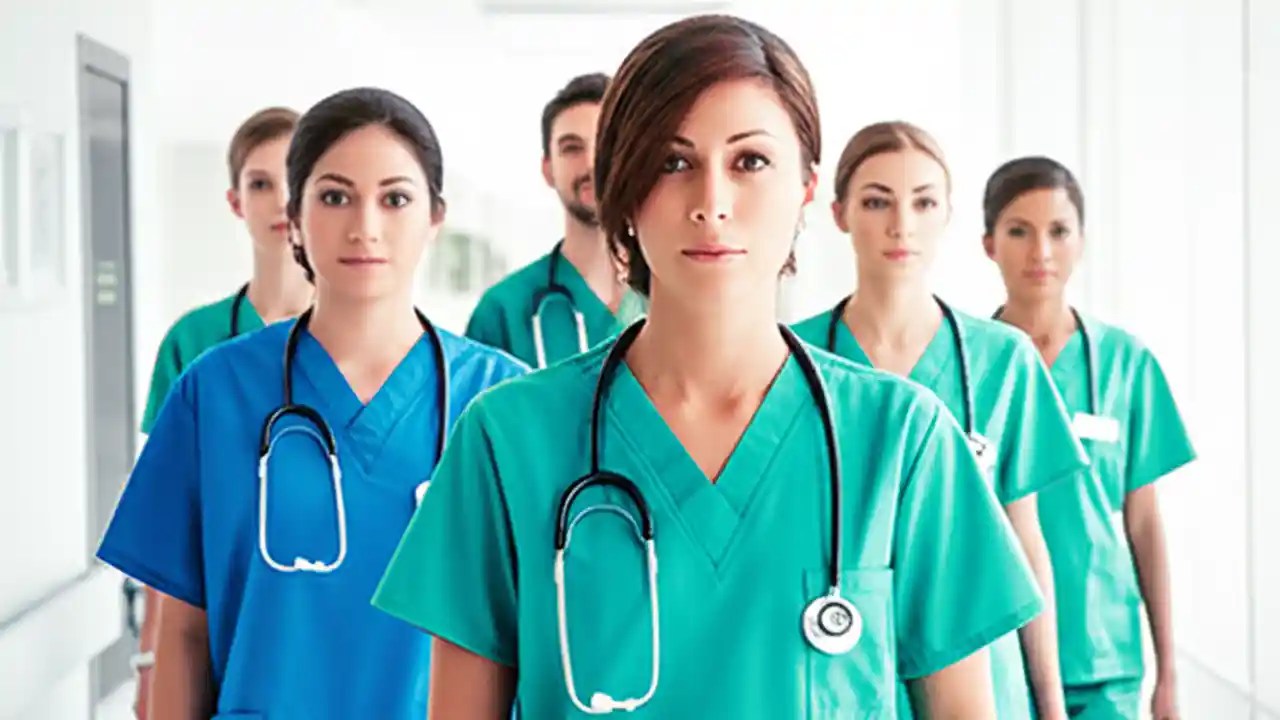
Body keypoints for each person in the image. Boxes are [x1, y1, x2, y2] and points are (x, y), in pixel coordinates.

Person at [373, 15, 1045, 718]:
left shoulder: (900, 441)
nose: (711, 204)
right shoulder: (509, 440)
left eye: (750, 162)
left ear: (808, 189)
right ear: (624, 192)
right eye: (672, 162)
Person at [96, 87, 527, 719]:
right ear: (294, 216)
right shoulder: (214, 392)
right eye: (334, 196)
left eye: (395, 198)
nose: (365, 226)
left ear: (435, 217)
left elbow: (535, 637)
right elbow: (182, 632)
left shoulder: (502, 403)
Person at [791, 122, 1090, 719]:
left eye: (923, 202)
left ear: (947, 214)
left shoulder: (1003, 360)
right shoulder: (791, 360)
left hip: (982, 673)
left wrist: (1050, 704)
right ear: (840, 212)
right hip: (841, 668)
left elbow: (1026, 543)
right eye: (877, 201)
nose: (902, 224)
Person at [983, 156, 1196, 720]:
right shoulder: (969, 366)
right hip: (1001, 654)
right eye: (1018, 231)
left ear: (1081, 241)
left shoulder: (1127, 364)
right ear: (988, 244)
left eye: (1058, 231)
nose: (1041, 252)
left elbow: (1144, 523)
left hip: (1104, 659)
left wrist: (1168, 670)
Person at [128, 105, 312, 719]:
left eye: (293, 180)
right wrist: (150, 667)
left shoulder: (361, 342)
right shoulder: (194, 344)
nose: (280, 201)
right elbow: (165, 527)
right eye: (261, 184)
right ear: (236, 202)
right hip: (214, 620)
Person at [464, 72, 643, 368]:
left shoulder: (675, 296)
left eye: (605, 145)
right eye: (572, 148)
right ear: (548, 169)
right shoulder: (503, 311)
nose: (590, 163)